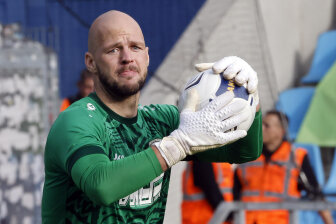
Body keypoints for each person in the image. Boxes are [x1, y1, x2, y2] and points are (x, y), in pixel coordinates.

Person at [42, 10, 263, 223]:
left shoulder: (161, 121)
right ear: (91, 62)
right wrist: (177, 145)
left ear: (147, 56)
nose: (127, 57)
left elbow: (244, 151)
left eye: (135, 47)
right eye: (113, 50)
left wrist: (249, 98)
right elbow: (101, 186)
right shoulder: (75, 121)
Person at [233, 110, 334, 224]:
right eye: (261, 124)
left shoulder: (297, 158)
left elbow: (316, 195)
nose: (261, 128)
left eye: (267, 125)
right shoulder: (248, 155)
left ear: (281, 131)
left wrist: (329, 221)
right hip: (247, 220)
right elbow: (234, 194)